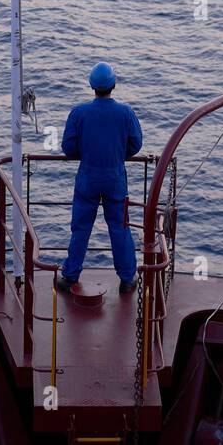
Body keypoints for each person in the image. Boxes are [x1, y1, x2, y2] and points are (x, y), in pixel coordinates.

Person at [57, 63, 142, 295]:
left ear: (91, 86)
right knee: (119, 228)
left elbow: (68, 147)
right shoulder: (126, 113)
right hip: (115, 177)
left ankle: (70, 275)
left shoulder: (79, 113)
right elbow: (136, 144)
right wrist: (116, 154)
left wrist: (86, 154)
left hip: (88, 177)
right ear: (113, 85)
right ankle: (126, 279)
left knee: (81, 228)